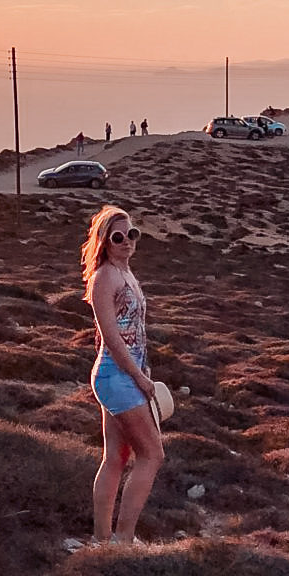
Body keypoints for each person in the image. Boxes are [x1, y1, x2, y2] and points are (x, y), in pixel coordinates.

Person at [81, 204, 163, 543]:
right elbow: (111, 337)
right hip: (117, 376)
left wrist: (143, 368)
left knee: (116, 457)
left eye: (132, 234)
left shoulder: (125, 273)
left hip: (122, 374)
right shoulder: (105, 277)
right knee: (153, 454)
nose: (127, 241)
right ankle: (123, 539)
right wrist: (139, 377)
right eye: (118, 236)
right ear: (105, 241)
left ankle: (103, 541)